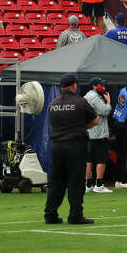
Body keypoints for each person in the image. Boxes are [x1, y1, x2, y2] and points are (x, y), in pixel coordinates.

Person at [44, 74, 98, 225]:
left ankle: (50, 215)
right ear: (74, 85)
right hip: (75, 145)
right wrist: (81, 126)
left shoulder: (53, 103)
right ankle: (75, 215)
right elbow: (95, 121)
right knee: (76, 181)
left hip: (56, 145)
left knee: (56, 181)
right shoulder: (81, 102)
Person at [83, 79, 112, 194]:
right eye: (100, 84)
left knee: (89, 159)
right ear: (94, 86)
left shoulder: (86, 97)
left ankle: (88, 184)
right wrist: (108, 102)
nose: (103, 86)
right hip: (99, 133)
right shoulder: (95, 98)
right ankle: (99, 184)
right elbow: (104, 111)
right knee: (101, 158)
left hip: (88, 132)